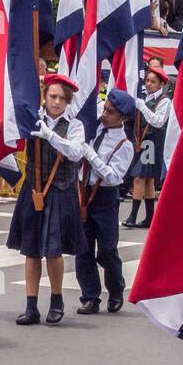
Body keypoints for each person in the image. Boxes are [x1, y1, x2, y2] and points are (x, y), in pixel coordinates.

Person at [7, 74, 86, 325]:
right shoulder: (33, 117)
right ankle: (31, 306)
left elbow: (75, 153)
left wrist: (50, 135)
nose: (56, 102)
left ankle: (56, 299)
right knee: (30, 250)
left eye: (62, 98)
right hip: (34, 189)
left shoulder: (74, 125)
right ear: (44, 96)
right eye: (53, 96)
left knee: (53, 250)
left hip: (60, 190)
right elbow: (9, 129)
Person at [75, 89, 136, 315]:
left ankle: (116, 289)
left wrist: (90, 154)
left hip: (105, 197)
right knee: (83, 248)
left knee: (108, 250)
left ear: (123, 117)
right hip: (83, 192)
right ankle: (90, 296)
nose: (104, 115)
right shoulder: (93, 128)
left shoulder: (125, 144)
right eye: (105, 109)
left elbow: (113, 176)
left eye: (110, 112)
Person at [123, 65, 171, 228]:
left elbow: (158, 122)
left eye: (153, 81)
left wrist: (143, 108)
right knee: (148, 180)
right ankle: (150, 217)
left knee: (139, 177)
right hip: (142, 142)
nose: (149, 84)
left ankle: (133, 216)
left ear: (161, 84)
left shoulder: (164, 101)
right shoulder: (146, 98)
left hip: (153, 142)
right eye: (147, 80)